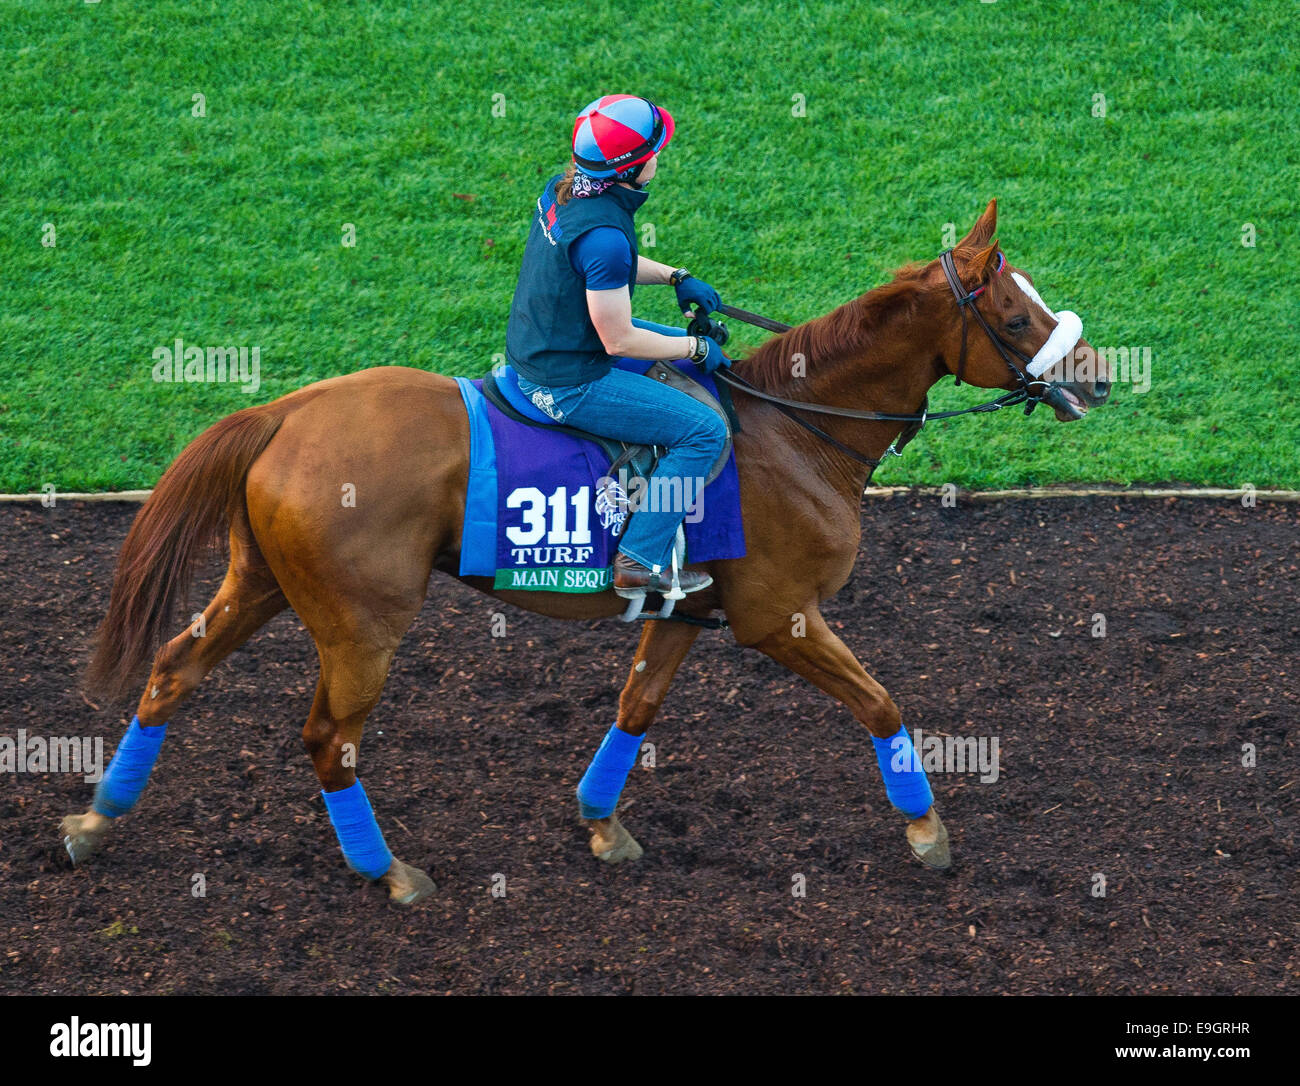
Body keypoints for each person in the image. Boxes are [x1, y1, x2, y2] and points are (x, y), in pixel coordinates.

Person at [505, 94, 729, 596]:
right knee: (704, 432)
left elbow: (608, 266)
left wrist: (677, 276)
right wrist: (691, 350)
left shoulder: (566, 192)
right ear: (632, 167)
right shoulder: (605, 235)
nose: (659, 157)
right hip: (568, 381)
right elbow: (619, 336)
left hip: (551, 340)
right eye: (655, 151)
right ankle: (640, 560)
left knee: (695, 348)